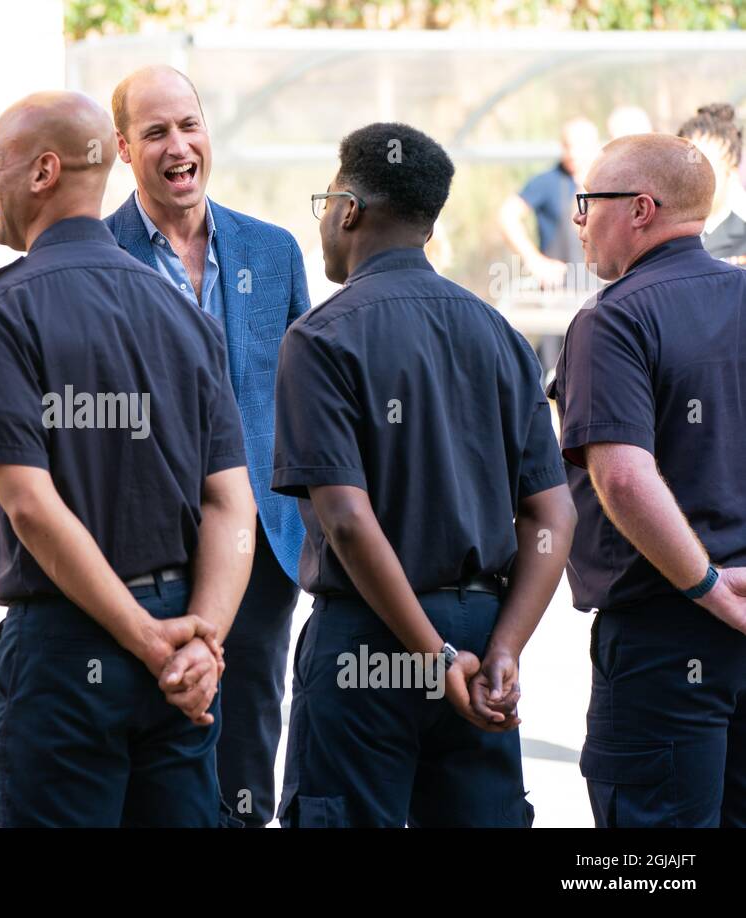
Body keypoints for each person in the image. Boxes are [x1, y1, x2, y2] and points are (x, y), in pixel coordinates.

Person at [0, 91, 256, 827]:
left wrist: (153, 643)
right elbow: (231, 502)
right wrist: (200, 645)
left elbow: (28, 504)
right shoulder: (184, 314)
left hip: (71, 647)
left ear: (43, 172)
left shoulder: (1, 309)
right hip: (179, 640)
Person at [273, 123, 576, 828]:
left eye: (326, 201)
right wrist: (500, 652)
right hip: (480, 635)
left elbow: (347, 520)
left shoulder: (321, 338)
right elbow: (552, 517)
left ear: (348, 208)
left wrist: (431, 657)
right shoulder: (499, 335)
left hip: (370, 644)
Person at [104, 64, 309, 828]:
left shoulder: (273, 250)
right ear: (124, 148)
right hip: (140, 551)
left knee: (249, 737)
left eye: (188, 125)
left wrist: (310, 521)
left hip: (259, 545)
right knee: (155, 739)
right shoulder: (99, 253)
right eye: (155, 132)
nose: (178, 145)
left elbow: (302, 401)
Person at [547, 132, 746, 827]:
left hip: (667, 639)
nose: (577, 220)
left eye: (586, 202)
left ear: (640, 208)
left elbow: (625, 480)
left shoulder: (614, 318)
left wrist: (708, 588)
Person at [498, 116, 602, 375]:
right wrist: (534, 260)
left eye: (581, 145)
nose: (574, 152)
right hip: (558, 295)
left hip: (601, 291)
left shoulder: (609, 185)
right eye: (568, 145)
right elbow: (506, 216)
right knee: (555, 372)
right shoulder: (546, 182)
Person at [678, 103, 746, 265]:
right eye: (684, 165)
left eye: (705, 165)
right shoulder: (657, 242)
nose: (692, 176)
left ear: (732, 169)